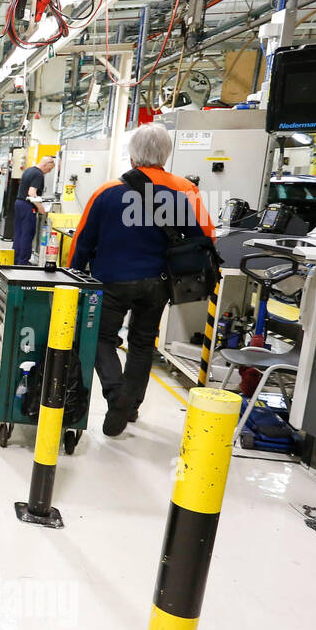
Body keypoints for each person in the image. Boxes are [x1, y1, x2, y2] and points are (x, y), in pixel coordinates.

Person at [68, 122, 215, 437]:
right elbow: (205, 237)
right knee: (143, 341)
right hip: (158, 281)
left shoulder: (106, 192)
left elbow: (82, 241)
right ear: (166, 153)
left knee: (101, 338)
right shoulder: (184, 192)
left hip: (111, 281)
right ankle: (131, 404)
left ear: (132, 155)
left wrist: (75, 274)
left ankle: (115, 393)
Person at [13, 155, 55, 264]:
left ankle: (16, 258)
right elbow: (31, 193)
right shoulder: (38, 174)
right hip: (28, 206)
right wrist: (41, 208)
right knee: (27, 233)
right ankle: (23, 261)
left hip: (19, 203)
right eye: (49, 169)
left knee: (19, 232)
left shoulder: (29, 170)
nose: (48, 172)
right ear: (46, 164)